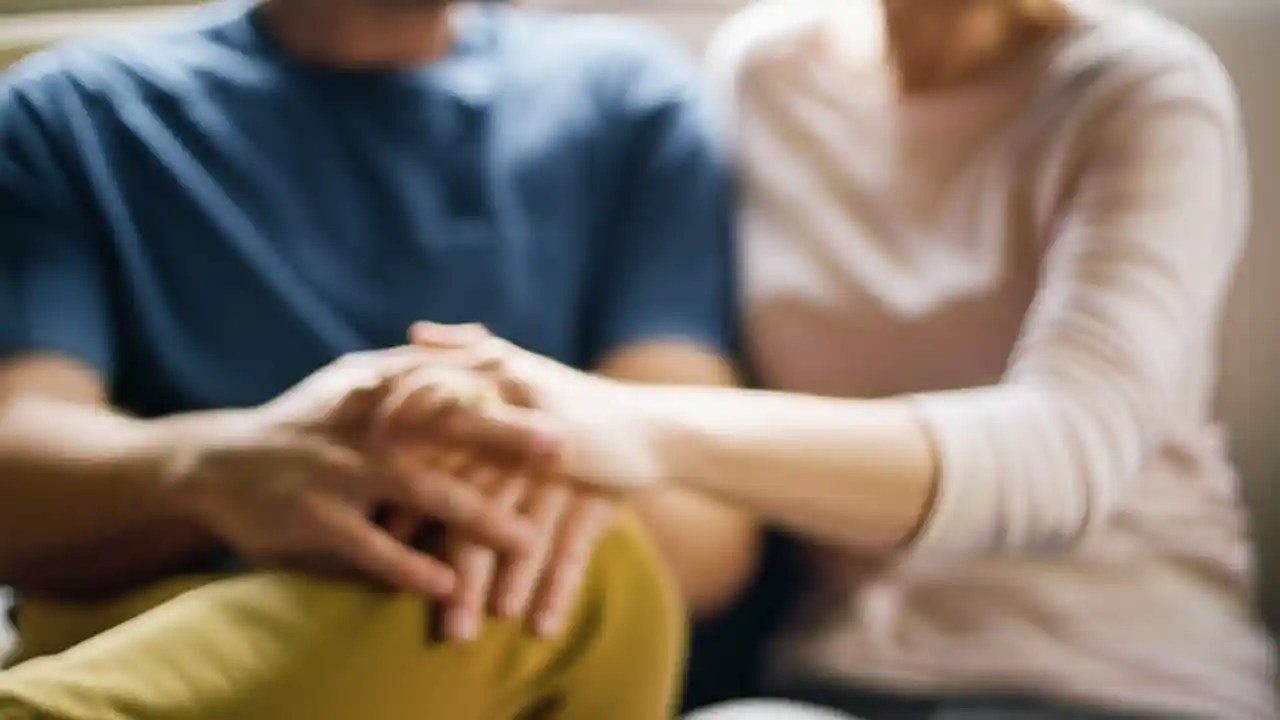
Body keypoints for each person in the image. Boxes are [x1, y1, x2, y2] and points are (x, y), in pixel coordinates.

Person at [387, 0, 1278, 717]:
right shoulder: (765, 71)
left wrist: (638, 427)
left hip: (1125, 675)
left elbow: (1066, 454)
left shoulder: (1142, 90)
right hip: (846, 671)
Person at [0, 0, 759, 718]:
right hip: (172, 629)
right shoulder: (73, 117)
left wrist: (477, 465)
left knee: (592, 562)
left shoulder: (623, 101)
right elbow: (19, 471)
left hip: (516, 648)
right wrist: (214, 471)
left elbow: (701, 528)